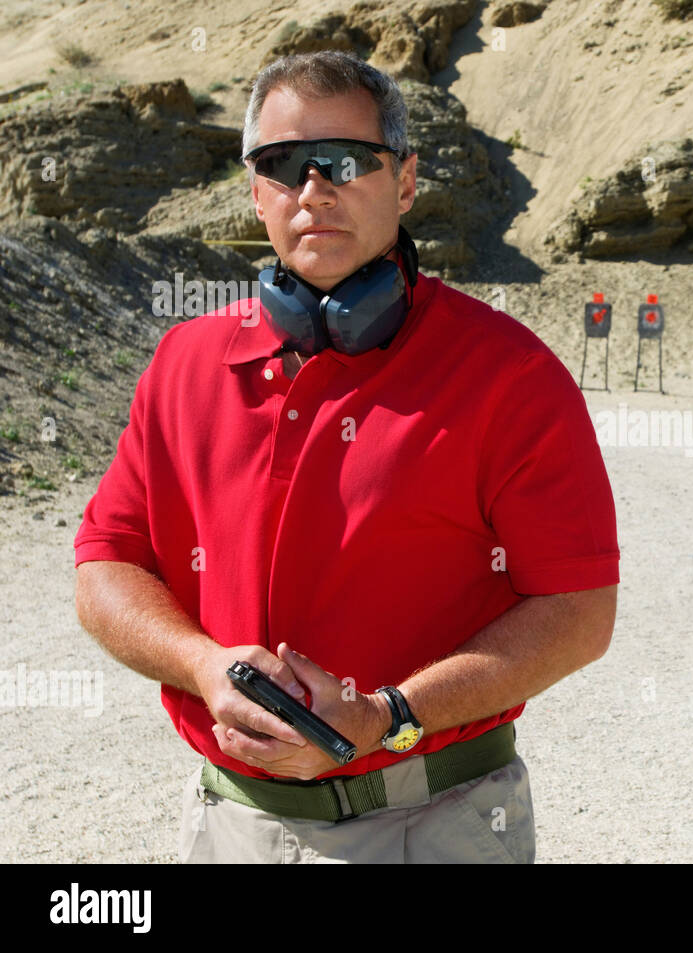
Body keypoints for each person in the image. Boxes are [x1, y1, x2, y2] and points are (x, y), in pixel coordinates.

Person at [72, 50, 620, 863]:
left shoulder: (512, 373)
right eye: (285, 165)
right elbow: (105, 563)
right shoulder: (182, 364)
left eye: (345, 162)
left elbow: (579, 613)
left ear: (404, 182)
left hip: (436, 821)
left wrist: (389, 715)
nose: (314, 190)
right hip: (232, 824)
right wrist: (203, 664)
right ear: (255, 191)